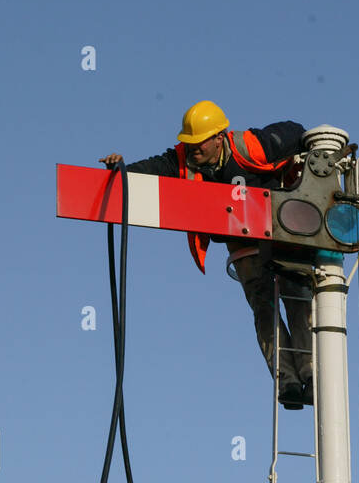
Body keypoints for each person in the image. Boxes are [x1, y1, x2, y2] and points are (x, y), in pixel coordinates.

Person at [100, 100, 313, 410]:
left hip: (280, 239)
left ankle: (309, 373)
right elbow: (153, 168)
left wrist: (320, 146)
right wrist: (121, 170)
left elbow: (295, 132)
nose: (193, 150)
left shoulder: (254, 146)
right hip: (245, 250)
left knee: (296, 296)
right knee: (264, 309)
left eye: (199, 143)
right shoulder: (184, 159)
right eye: (189, 143)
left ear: (219, 137)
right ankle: (287, 379)